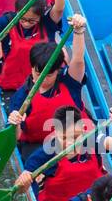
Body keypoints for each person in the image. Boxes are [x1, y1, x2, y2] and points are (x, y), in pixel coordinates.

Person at [15, 106, 112, 201]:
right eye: (64, 138)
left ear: (83, 130)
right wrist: (23, 182)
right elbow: (20, 189)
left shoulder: (91, 140)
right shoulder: (44, 155)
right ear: (55, 132)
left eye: (75, 137)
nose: (70, 143)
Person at [8, 14, 87, 161]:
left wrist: (79, 30)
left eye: (49, 75)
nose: (43, 79)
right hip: (38, 147)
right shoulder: (22, 96)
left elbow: (78, 59)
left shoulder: (69, 82)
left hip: (74, 141)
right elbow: (16, 136)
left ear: (58, 70)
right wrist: (15, 122)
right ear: (31, 68)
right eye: (38, 74)